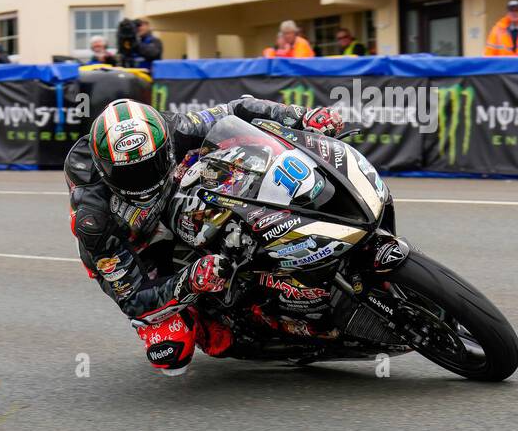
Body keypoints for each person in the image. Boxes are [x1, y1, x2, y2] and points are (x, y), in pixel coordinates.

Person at [66, 97, 347, 374]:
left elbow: (234, 109)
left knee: (233, 164)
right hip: (138, 247)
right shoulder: (93, 218)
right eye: (130, 175)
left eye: (151, 165)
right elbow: (134, 298)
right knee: (176, 350)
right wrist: (189, 282)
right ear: (105, 172)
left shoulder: (173, 128)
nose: (144, 181)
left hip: (176, 197)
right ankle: (219, 317)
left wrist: (299, 116)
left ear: (164, 147)